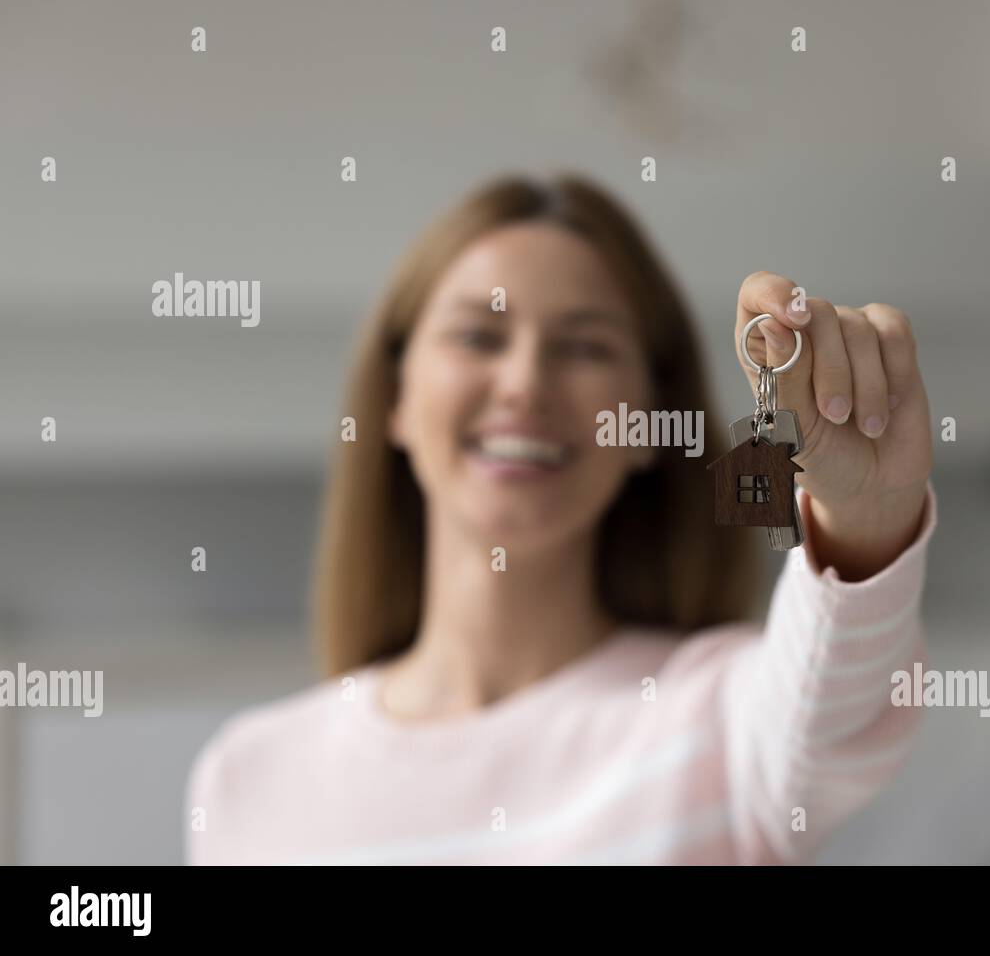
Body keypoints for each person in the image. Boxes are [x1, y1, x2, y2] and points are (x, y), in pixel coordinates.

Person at [185, 174, 938, 865]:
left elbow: (838, 702)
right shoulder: (248, 774)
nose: (524, 383)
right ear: (396, 398)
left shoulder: (722, 722)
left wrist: (866, 519)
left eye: (585, 346)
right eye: (478, 335)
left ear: (650, 421)